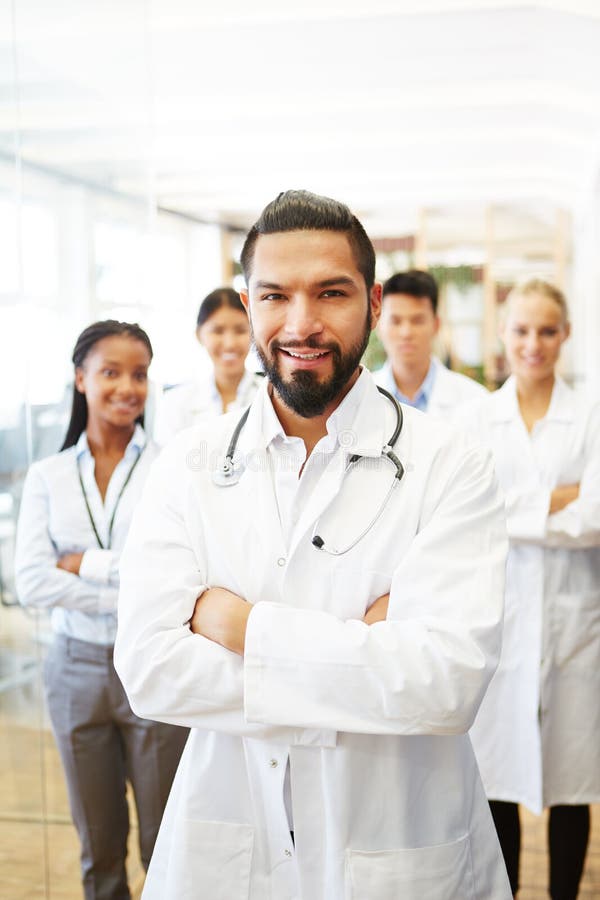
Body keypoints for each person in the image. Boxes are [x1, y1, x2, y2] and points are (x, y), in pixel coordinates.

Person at [115, 190, 512, 899]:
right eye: (274, 296)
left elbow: (446, 683)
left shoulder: (452, 462)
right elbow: (149, 669)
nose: (302, 324)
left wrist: (241, 628)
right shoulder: (190, 462)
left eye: (331, 292)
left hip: (398, 841)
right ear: (247, 303)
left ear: (373, 299)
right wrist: (361, 650)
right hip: (228, 843)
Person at [15, 320, 188, 900]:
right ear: (80, 379)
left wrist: (83, 564)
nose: (127, 387)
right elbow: (33, 581)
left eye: (138, 374)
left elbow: (178, 577)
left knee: (168, 843)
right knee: (99, 846)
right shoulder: (48, 476)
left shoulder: (172, 468)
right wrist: (129, 575)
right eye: (110, 372)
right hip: (75, 669)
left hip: (156, 659)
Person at [465, 279, 600, 899]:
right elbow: (470, 513)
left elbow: (594, 519)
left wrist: (515, 511)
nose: (533, 344)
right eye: (521, 330)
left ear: (566, 334)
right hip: (500, 614)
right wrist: (559, 500)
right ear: (503, 334)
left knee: (574, 779)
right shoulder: (478, 419)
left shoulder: (590, 413)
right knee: (497, 774)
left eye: (547, 331)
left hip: (575, 622)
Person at [154, 286, 262, 444]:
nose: (230, 343)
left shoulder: (273, 399)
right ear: (199, 335)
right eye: (218, 331)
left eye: (240, 330)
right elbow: (166, 466)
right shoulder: (174, 403)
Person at [373, 268, 487, 415]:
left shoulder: (476, 400)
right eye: (395, 321)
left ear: (436, 325)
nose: (406, 332)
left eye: (417, 321)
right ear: (379, 326)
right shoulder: (359, 399)